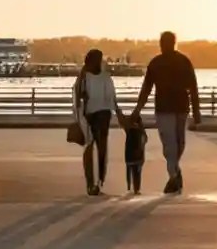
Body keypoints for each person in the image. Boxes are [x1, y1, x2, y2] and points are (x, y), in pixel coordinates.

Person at [131, 31, 201, 194]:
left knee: (179, 144)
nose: (164, 46)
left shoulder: (183, 62)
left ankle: (175, 172)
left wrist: (196, 113)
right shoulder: (156, 63)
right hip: (164, 110)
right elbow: (146, 89)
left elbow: (193, 87)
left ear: (172, 43)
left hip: (181, 108)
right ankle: (174, 175)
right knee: (171, 145)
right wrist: (137, 110)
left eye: (166, 43)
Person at [74, 48, 125, 196]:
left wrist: (119, 114)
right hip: (92, 116)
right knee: (93, 147)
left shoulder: (100, 77)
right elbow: (78, 100)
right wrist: (80, 118)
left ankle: (98, 181)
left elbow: (112, 98)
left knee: (99, 148)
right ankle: (93, 183)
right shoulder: (85, 77)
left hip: (100, 115)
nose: (99, 62)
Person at [124, 116, 148, 195]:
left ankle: (129, 187)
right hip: (137, 157)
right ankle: (136, 189)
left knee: (130, 171)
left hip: (129, 156)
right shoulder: (140, 132)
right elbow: (143, 142)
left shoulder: (129, 130)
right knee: (137, 173)